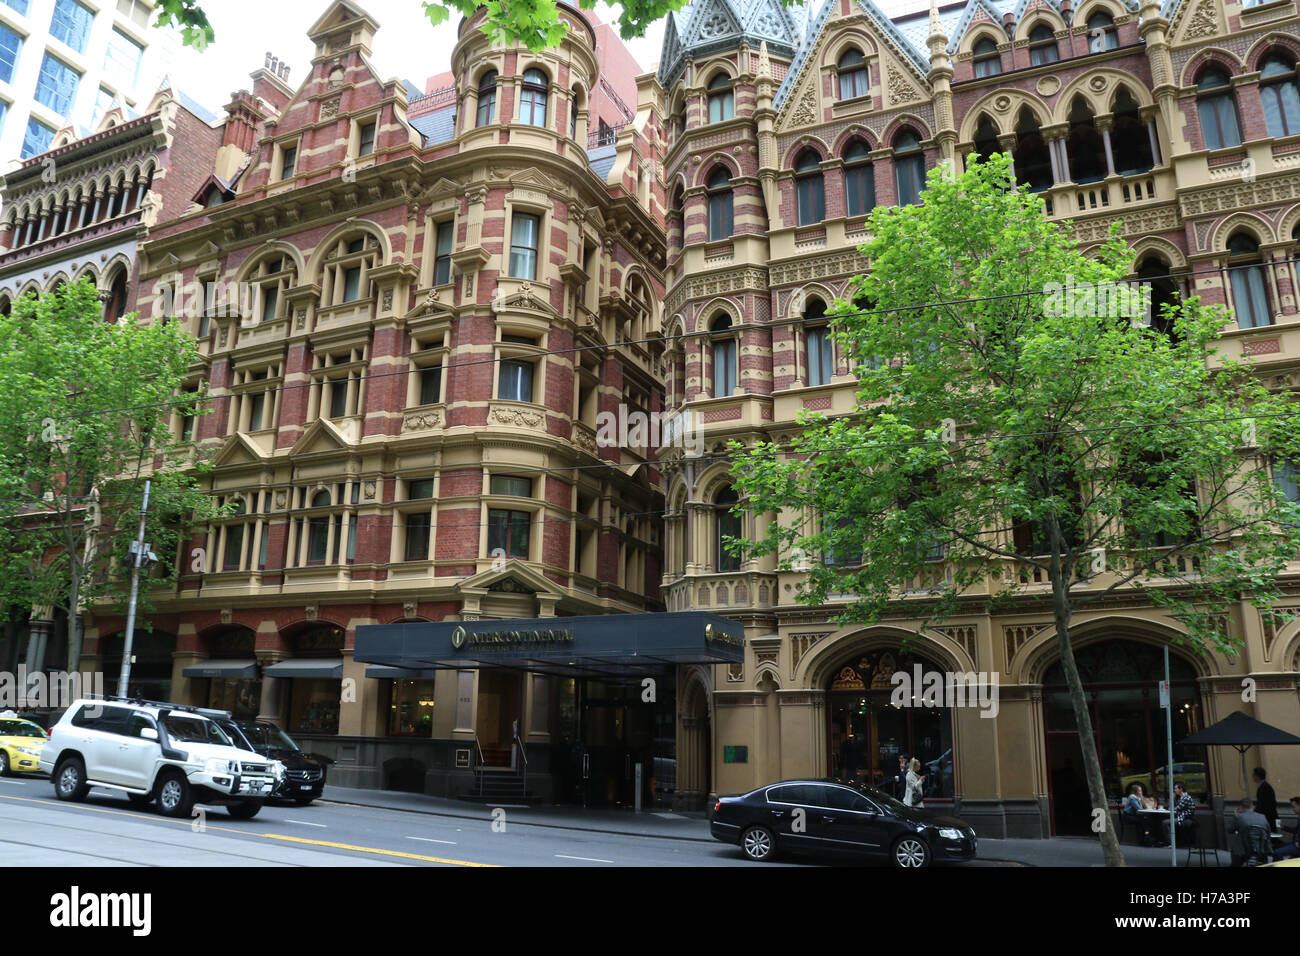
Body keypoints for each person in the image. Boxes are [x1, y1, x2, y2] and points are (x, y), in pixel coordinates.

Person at [1225, 798, 1272, 866]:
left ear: (1241, 807)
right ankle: (1264, 863)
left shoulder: (1238, 817)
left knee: (1235, 848)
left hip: (1243, 849)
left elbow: (1230, 830)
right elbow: (1268, 832)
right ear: (1253, 807)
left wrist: (1235, 815)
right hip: (1261, 848)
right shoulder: (1262, 816)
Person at [1159, 781, 1197, 846]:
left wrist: (1173, 798)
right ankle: (1170, 841)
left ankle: (1171, 843)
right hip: (1181, 817)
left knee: (1165, 823)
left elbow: (1176, 809)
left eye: (1176, 788)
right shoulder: (1182, 798)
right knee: (1166, 821)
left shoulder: (1186, 798)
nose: (1174, 790)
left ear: (1181, 789)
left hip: (1184, 818)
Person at [1253, 767, 1278, 833]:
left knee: (1272, 837)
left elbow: (1264, 804)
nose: (1253, 777)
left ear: (1257, 776)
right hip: (1268, 817)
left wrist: (1254, 811)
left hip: (1268, 818)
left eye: (1254, 775)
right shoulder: (1263, 786)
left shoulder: (1265, 787)